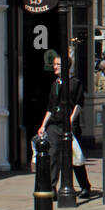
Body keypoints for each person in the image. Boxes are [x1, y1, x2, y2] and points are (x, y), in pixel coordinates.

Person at [38, 55, 92, 198]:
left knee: (75, 156)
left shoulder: (75, 83)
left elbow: (79, 104)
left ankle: (85, 186)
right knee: (53, 154)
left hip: (69, 126)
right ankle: (52, 188)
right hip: (54, 124)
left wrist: (70, 120)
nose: (54, 67)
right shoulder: (54, 84)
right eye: (54, 64)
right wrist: (43, 125)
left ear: (65, 66)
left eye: (57, 64)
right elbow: (50, 107)